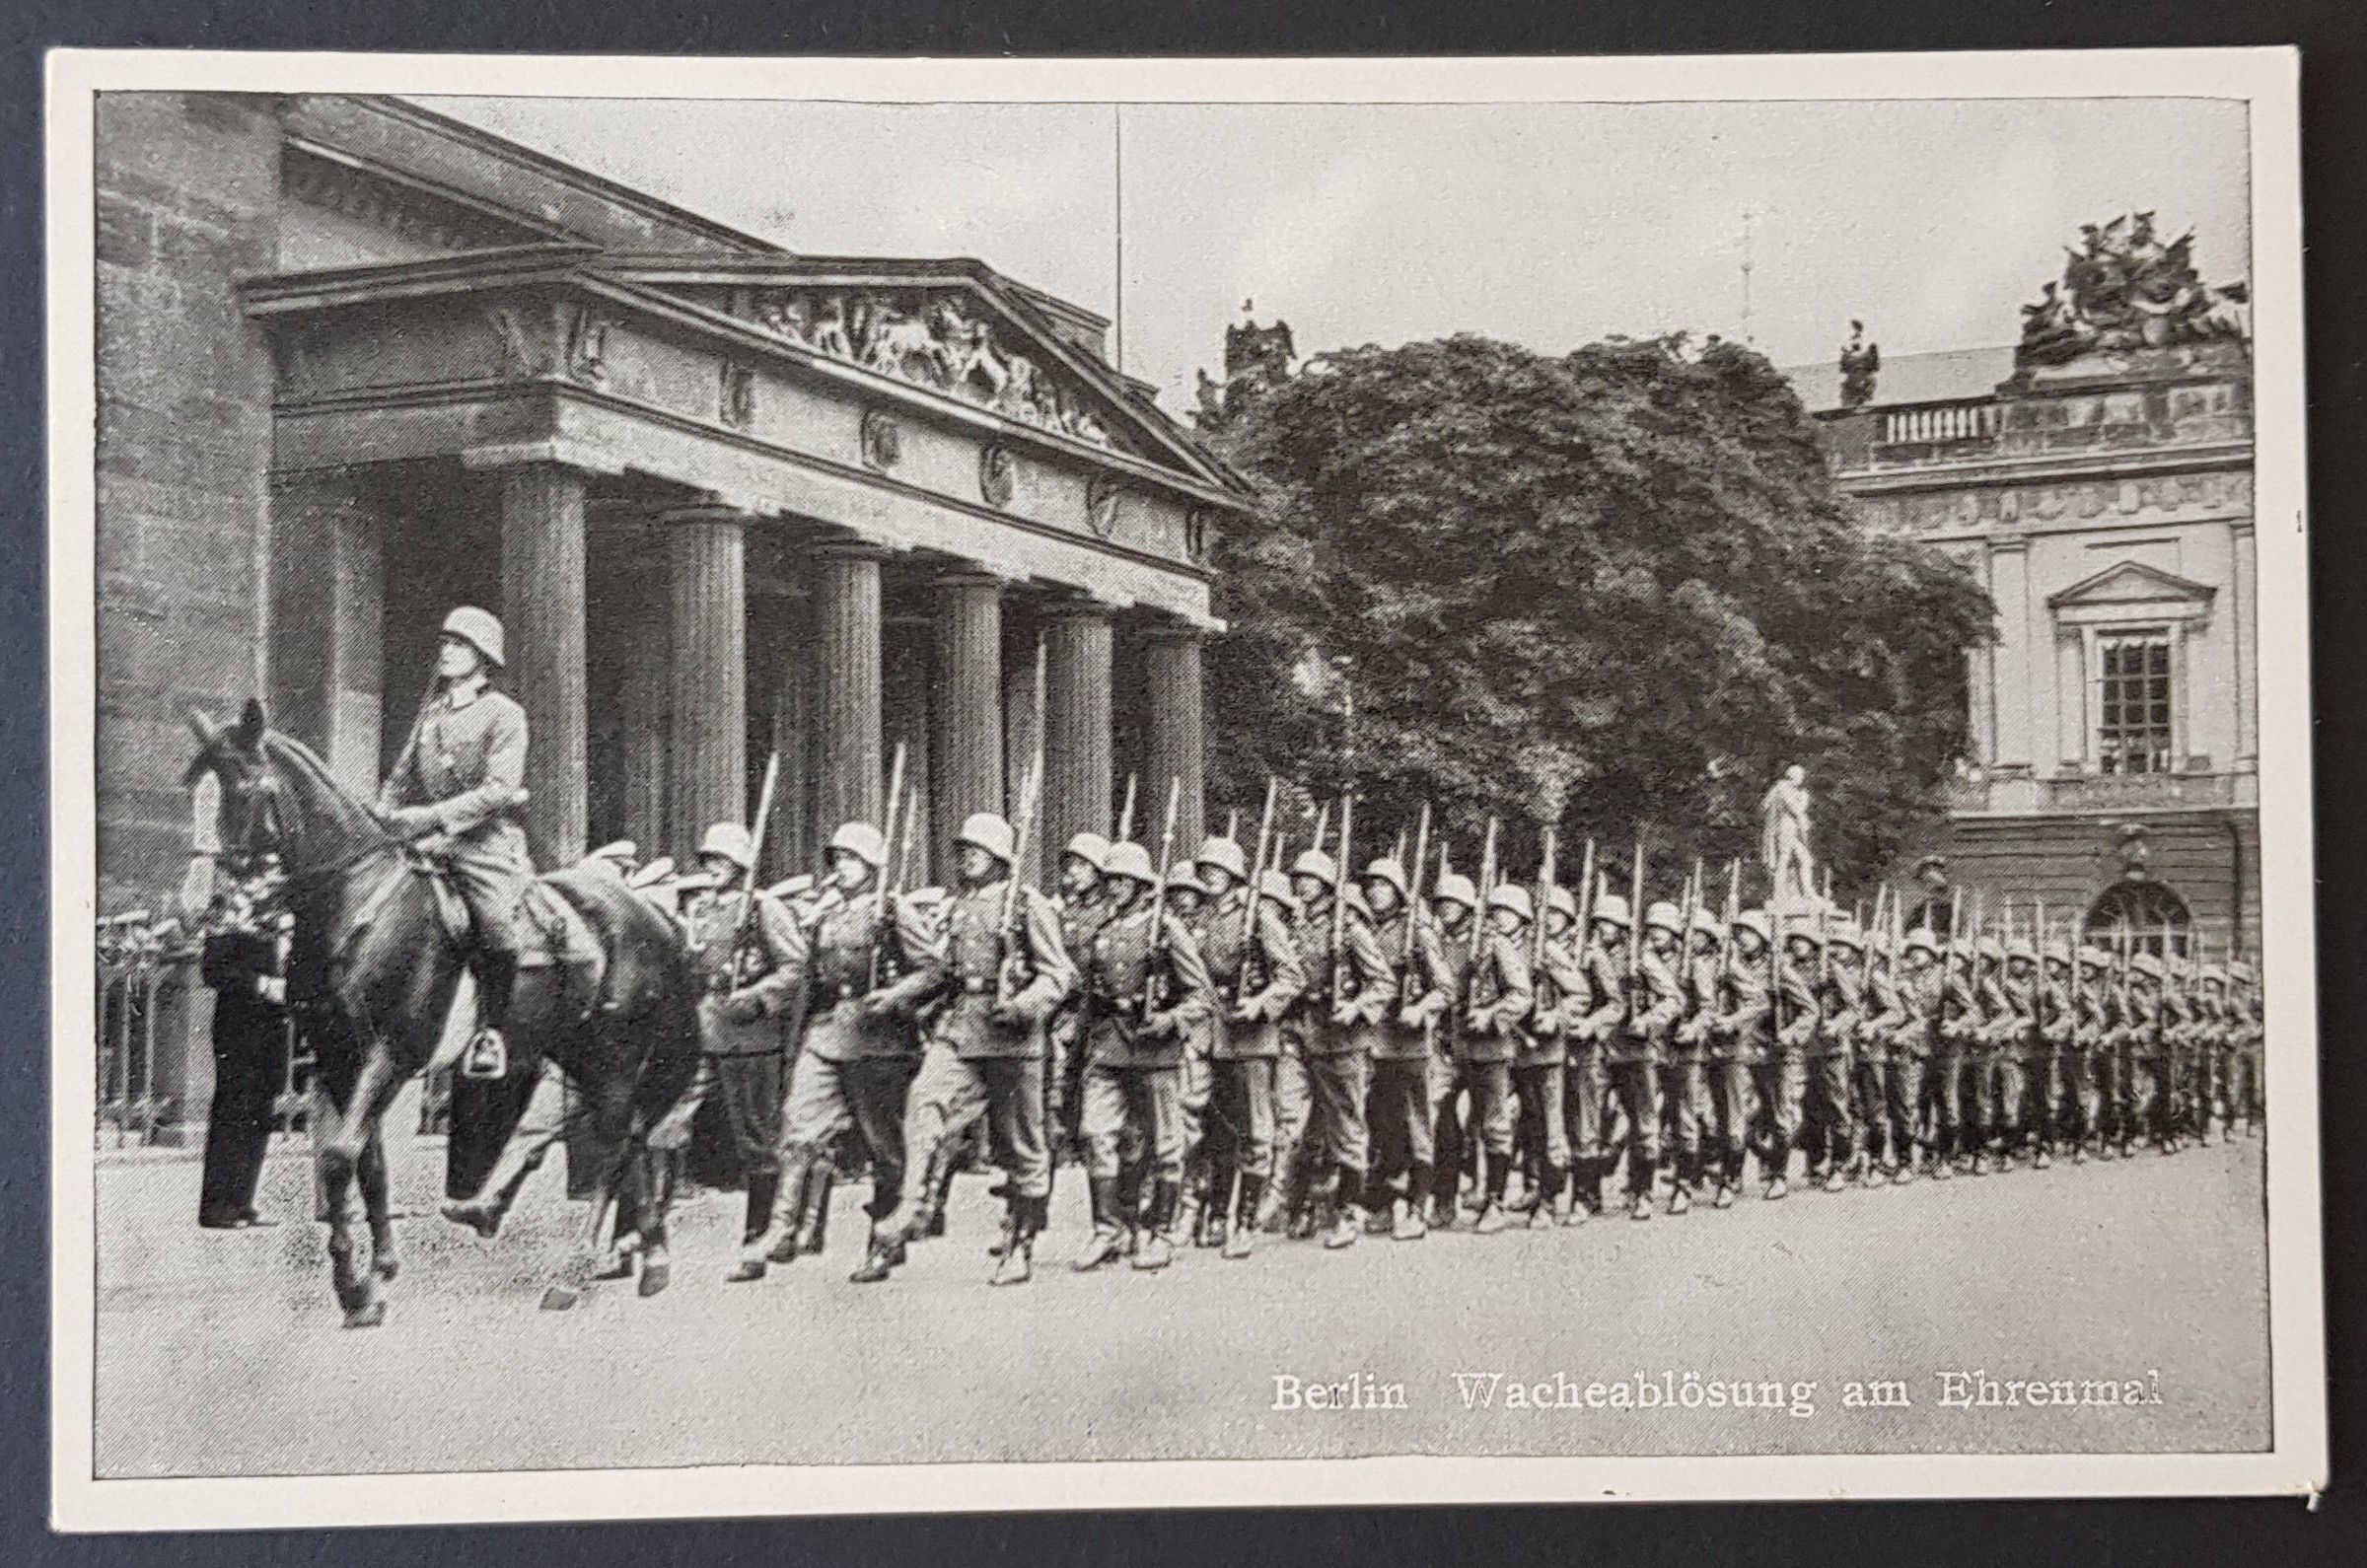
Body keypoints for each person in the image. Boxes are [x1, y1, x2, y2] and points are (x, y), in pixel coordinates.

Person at [875, 812, 1075, 1286]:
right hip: (964, 1025)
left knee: (1021, 1144)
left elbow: (1059, 974)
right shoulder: (959, 907)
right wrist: (900, 997)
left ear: (1001, 857)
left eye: (977, 849)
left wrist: (1026, 1005)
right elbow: (943, 971)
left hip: (1014, 1036)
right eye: (963, 848)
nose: (967, 855)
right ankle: (912, 1203)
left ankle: (1020, 1243)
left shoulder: (1028, 906)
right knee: (924, 1101)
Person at [757, 820, 936, 1285]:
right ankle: (781, 1229)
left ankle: (884, 1242)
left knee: (884, 1147)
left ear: (873, 865)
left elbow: (933, 968)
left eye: (852, 858)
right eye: (838, 858)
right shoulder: (828, 913)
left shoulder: (894, 911)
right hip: (828, 1033)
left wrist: (896, 996)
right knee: (798, 1126)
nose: (843, 866)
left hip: (880, 1041)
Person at [375, 606, 533, 1072]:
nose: (446, 652)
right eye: (444, 643)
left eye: (458, 645)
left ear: (482, 657)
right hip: (428, 843)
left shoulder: (504, 714)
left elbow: (500, 789)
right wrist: (381, 816)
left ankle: (491, 1033)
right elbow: (400, 778)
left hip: (482, 845)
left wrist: (430, 818)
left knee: (497, 930)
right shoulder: (432, 715)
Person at [651, 822, 808, 1283]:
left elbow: (794, 965)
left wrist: (758, 997)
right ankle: (647, 1235)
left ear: (740, 867)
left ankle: (757, 1240)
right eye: (708, 861)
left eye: (721, 862)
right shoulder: (697, 909)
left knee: (755, 1141)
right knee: (665, 1128)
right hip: (700, 1031)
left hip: (749, 1038)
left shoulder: (763, 909)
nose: (712, 869)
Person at [1072, 841, 1214, 1272]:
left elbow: (1201, 996)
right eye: (1111, 880)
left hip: (1155, 1047)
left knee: (1167, 1144)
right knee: (1097, 1134)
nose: (1115, 887)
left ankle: (1163, 1233)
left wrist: (1170, 1019)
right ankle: (1108, 1230)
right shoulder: (1101, 927)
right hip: (1108, 1044)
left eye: (1124, 881)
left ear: (1140, 885)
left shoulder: (1166, 929)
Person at [1192, 854, 1306, 1257]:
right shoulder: (1200, 918)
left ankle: (1246, 1219)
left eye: (1217, 870)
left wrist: (1261, 1004)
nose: (1210, 877)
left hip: (1252, 1036)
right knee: (1219, 1130)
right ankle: (1218, 1213)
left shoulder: (1258, 918)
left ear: (1233, 874)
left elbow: (1291, 976)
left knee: (1257, 1130)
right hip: (1211, 1033)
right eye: (1204, 870)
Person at [1285, 848, 1395, 1248]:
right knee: (1294, 1122)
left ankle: (1348, 1211)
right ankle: (1303, 1205)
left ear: (1327, 884)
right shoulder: (1293, 924)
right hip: (1299, 1032)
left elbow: (1382, 982)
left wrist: (1357, 1007)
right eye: (1299, 877)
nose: (1304, 884)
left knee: (1346, 1128)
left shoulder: (1350, 928)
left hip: (1342, 1040)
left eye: (1312, 878)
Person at [196, 862, 290, 1230]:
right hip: (239, 1025)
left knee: (261, 1111)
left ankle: (243, 1201)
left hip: (273, 1025)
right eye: (267, 869)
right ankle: (218, 1207)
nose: (274, 876)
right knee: (233, 1110)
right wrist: (262, 985)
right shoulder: (233, 906)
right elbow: (213, 969)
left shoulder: (284, 907)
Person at [1356, 857, 1439, 1238]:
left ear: (1399, 891)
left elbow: (1446, 987)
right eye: (1371, 885)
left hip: (1410, 1044)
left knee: (1417, 1126)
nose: (1376, 891)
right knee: (1383, 1126)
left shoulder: (1417, 932)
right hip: (1374, 1043)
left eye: (1383, 885)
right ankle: (1390, 1201)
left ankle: (1420, 1207)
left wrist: (1421, 1007)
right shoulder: (1360, 928)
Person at [1423, 872, 1508, 1231]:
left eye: (1452, 903)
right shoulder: (1434, 943)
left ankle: (1494, 1202)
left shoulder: (1493, 944)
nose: (1445, 909)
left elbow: (1521, 994)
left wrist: (1491, 1015)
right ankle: (1444, 1199)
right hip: (1447, 1044)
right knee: (1438, 1120)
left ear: (1468, 907)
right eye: (1440, 903)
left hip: (1488, 1045)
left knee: (1493, 1124)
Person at [1705, 910, 1772, 1207]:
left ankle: (1731, 1179)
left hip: (1746, 1048)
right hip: (1704, 1048)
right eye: (1739, 931)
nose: (1742, 936)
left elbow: (1760, 1002)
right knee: (1709, 1116)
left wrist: (1733, 1020)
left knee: (1739, 1117)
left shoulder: (1731, 967)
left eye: (1749, 931)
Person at [1666, 903, 1724, 1213]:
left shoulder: (1703, 966)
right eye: (1690, 933)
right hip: (1665, 1047)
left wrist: (1694, 1027)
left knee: (1693, 1115)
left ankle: (1685, 1184)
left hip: (1697, 1048)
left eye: (1700, 934)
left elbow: (1708, 1008)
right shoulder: (1665, 962)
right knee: (1674, 1117)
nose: (1694, 939)